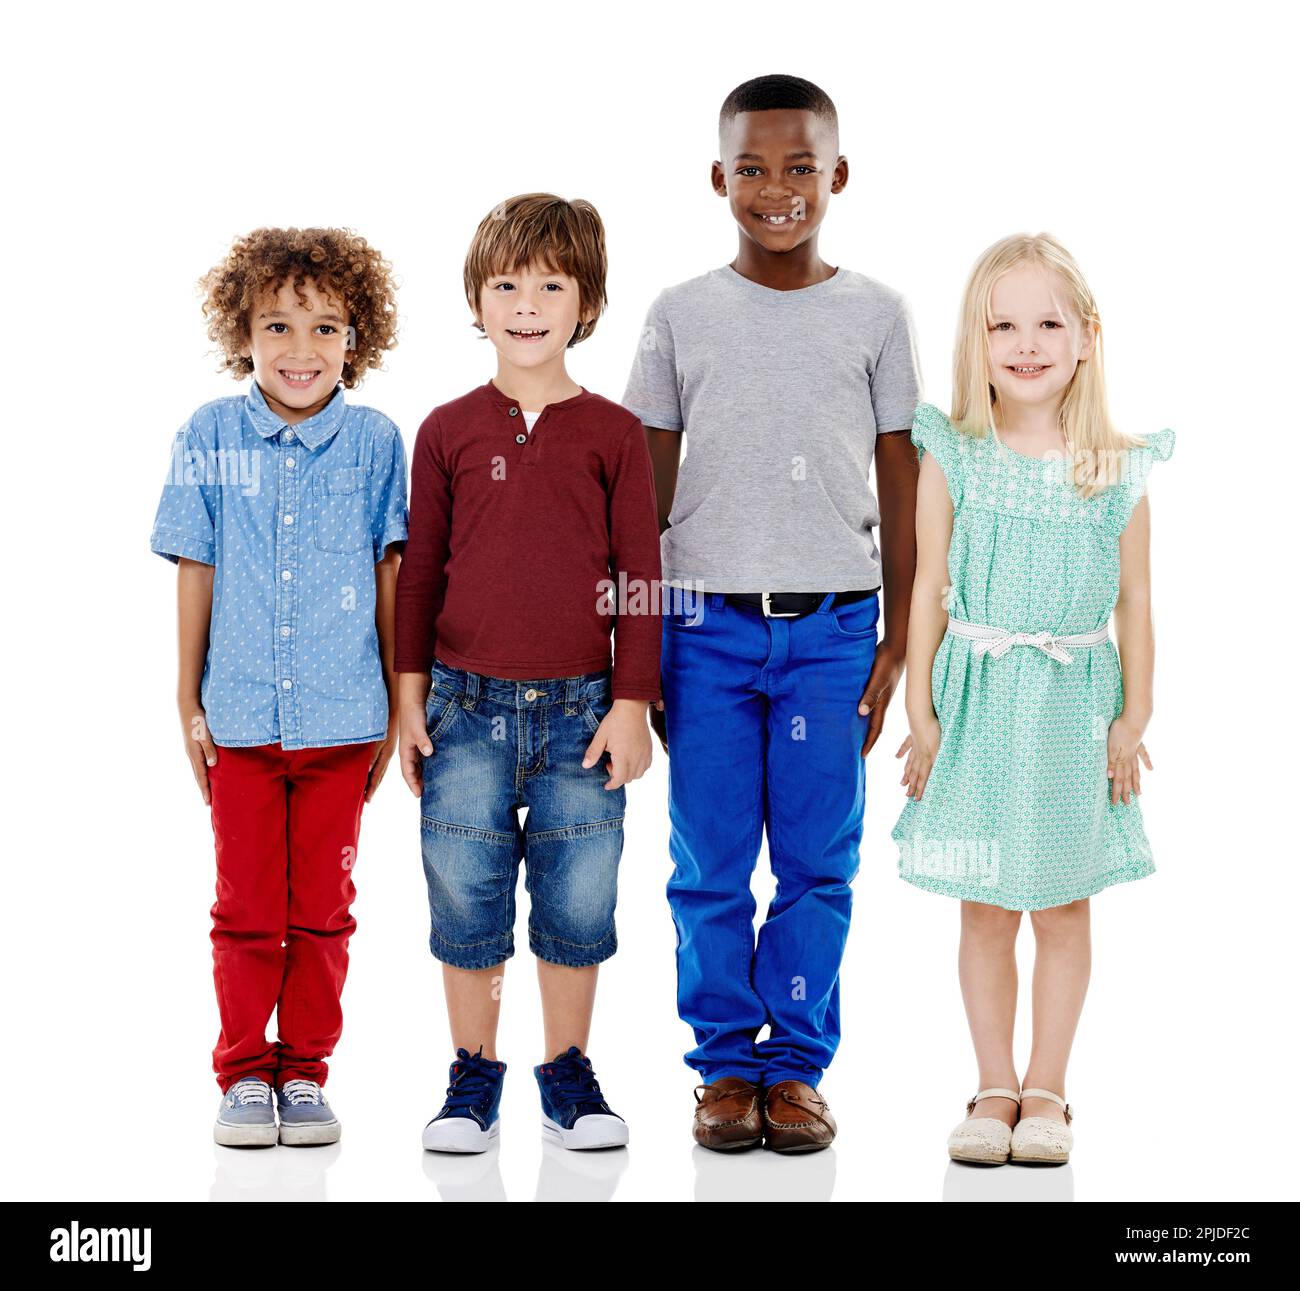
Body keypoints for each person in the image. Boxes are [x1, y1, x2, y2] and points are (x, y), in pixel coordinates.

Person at [622, 75, 922, 1152]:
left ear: (837, 175)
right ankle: (721, 1068)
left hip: (832, 631)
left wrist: (900, 631)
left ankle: (792, 1067)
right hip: (704, 630)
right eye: (751, 167)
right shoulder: (679, 314)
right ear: (718, 179)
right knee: (706, 859)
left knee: (814, 859)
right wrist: (639, 640)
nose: (777, 188)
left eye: (801, 166)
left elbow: (901, 478)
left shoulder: (877, 314)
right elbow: (638, 496)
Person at [893, 232, 1174, 1165]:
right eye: (1003, 323)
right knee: (983, 904)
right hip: (975, 703)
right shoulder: (957, 455)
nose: (1026, 342)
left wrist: (1132, 718)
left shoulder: (1115, 468)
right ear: (978, 339)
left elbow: (1136, 601)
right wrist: (922, 715)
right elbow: (929, 582)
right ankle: (992, 1083)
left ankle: (1048, 1085)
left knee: (1060, 905)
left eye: (1048, 322)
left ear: (1086, 337)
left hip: (1069, 710)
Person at [395, 194, 662, 1153]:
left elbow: (643, 576)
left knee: (578, 895)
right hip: (464, 707)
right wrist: (409, 696)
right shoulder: (446, 429)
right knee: (465, 891)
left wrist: (633, 701)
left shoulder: (615, 433)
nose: (527, 302)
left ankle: (568, 1070)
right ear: (477, 297)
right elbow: (421, 570)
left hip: (583, 712)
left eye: (551, 283)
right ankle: (472, 1074)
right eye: (506, 282)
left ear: (585, 302)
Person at [149, 227, 407, 1146]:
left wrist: (394, 703)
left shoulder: (377, 443)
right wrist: (188, 701)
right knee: (247, 908)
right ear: (243, 331)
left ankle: (305, 1071)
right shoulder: (211, 436)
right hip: (244, 725)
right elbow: (196, 566)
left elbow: (390, 578)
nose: (302, 352)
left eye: (326, 328)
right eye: (278, 326)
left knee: (324, 911)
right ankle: (243, 1074)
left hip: (345, 724)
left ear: (355, 338)